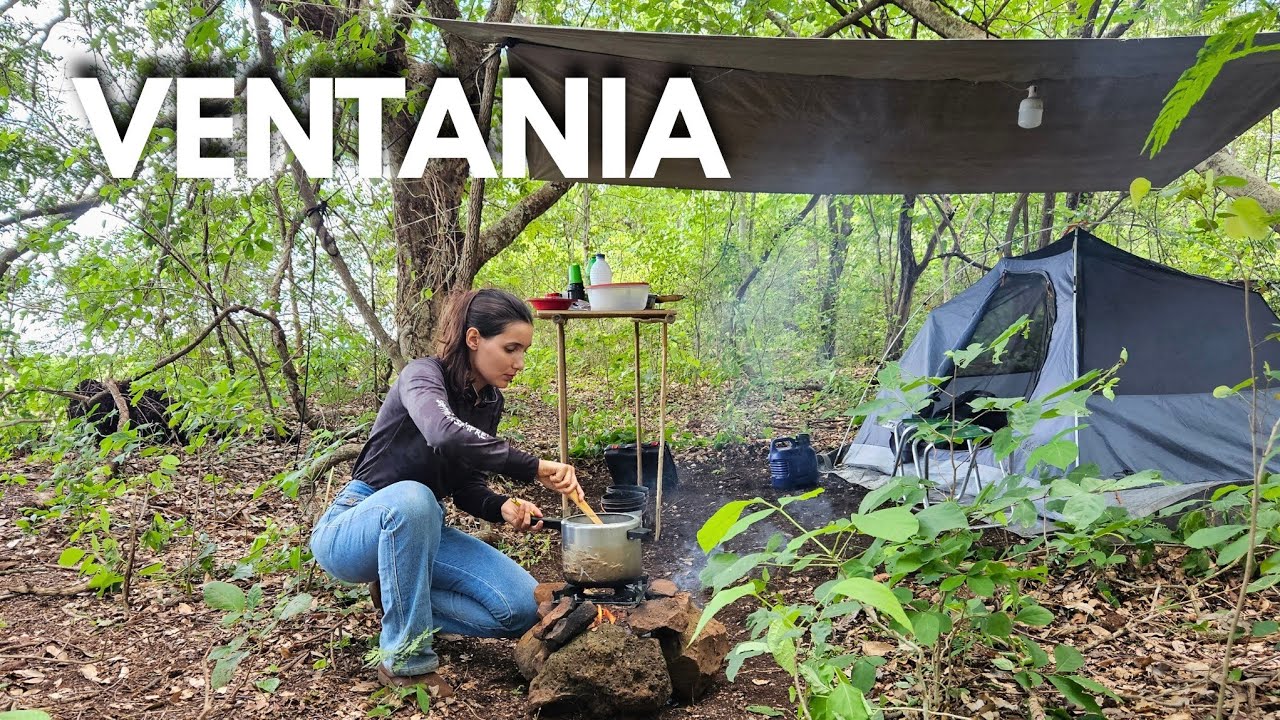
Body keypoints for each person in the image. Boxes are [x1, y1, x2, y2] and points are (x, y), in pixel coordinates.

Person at [309, 288, 581, 697]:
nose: (519, 363)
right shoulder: (422, 375)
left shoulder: (489, 402)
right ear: (474, 339)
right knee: (415, 498)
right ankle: (405, 662)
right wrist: (534, 467)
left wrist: (502, 506)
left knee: (522, 608)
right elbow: (443, 434)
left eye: (524, 351)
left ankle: (398, 596)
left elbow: (466, 485)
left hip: (422, 529)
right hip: (355, 524)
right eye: (510, 348)